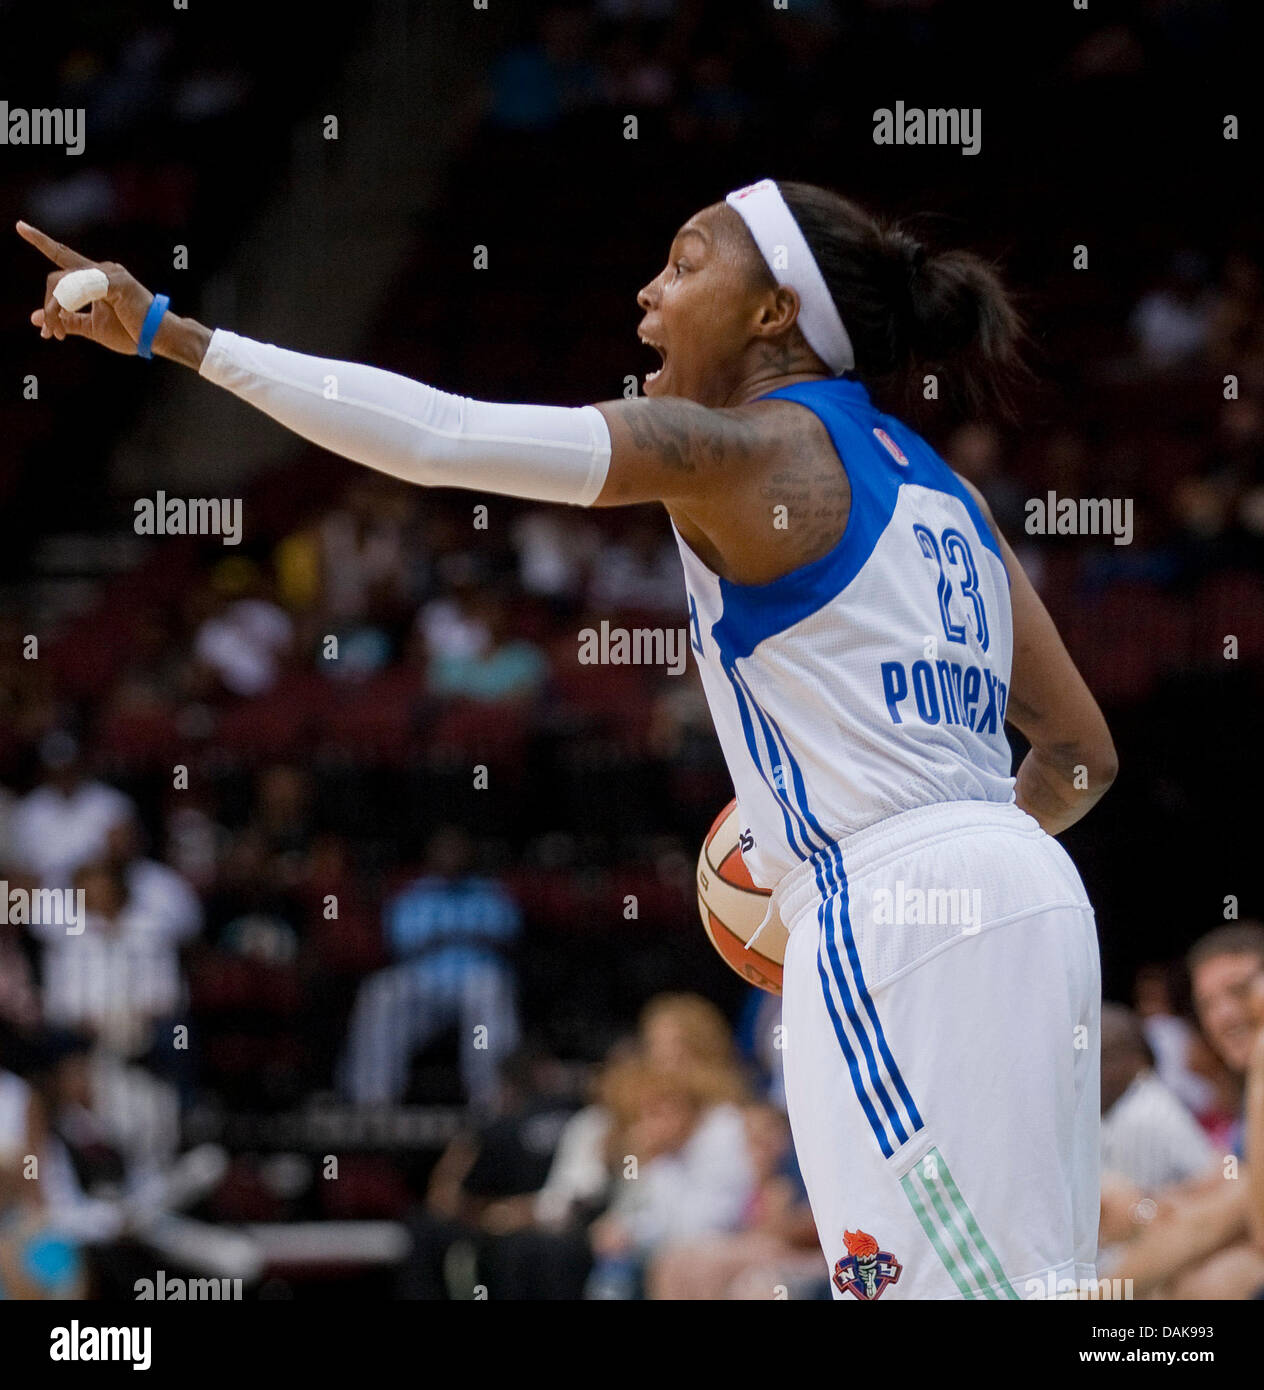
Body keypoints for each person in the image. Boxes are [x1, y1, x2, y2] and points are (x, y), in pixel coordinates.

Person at [17, 175, 1117, 1298]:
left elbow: (441, 437)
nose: (646, 294)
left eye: (686, 264)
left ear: (773, 312)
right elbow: (1080, 757)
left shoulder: (743, 451)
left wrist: (175, 335)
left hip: (892, 909)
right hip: (1035, 887)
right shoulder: (946, 491)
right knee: (1042, 1286)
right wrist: (960, 869)